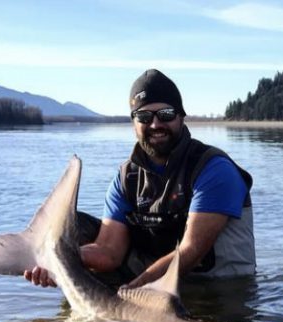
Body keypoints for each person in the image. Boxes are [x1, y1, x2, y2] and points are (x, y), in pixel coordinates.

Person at [26, 69, 255, 289]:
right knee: (72, 227)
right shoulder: (127, 178)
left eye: (166, 114)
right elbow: (108, 252)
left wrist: (132, 293)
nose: (155, 125)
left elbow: (191, 251)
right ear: (134, 123)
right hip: (155, 285)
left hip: (218, 288)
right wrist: (61, 260)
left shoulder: (214, 169)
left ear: (181, 117)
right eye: (144, 117)